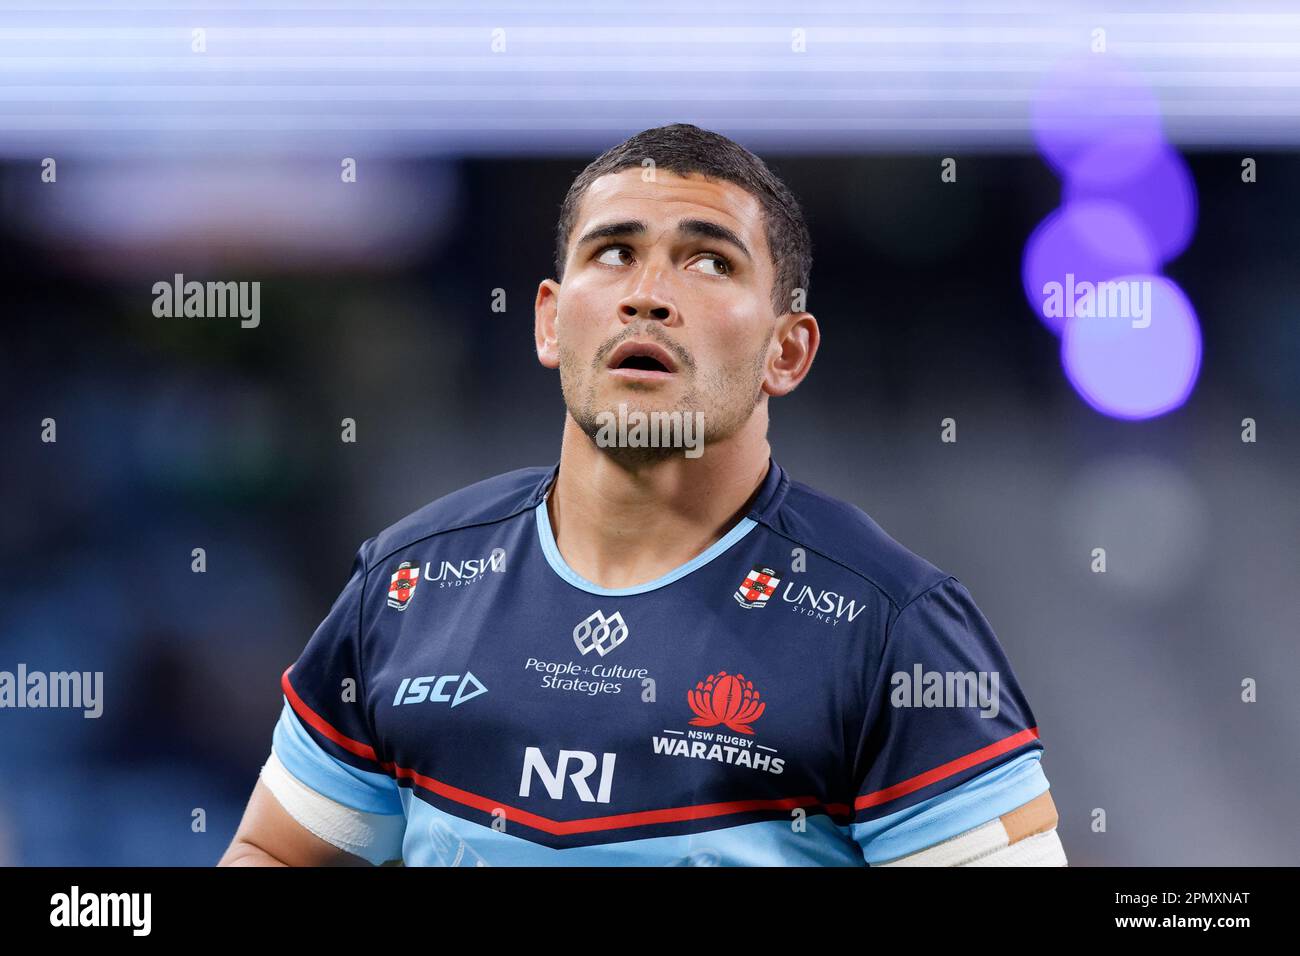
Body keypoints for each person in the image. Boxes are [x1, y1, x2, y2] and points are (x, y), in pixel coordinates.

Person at [219, 123, 1066, 867]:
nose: (648, 295)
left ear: (788, 350)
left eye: (709, 261)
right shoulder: (406, 585)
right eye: (613, 252)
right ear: (551, 321)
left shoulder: (894, 628)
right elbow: (276, 851)